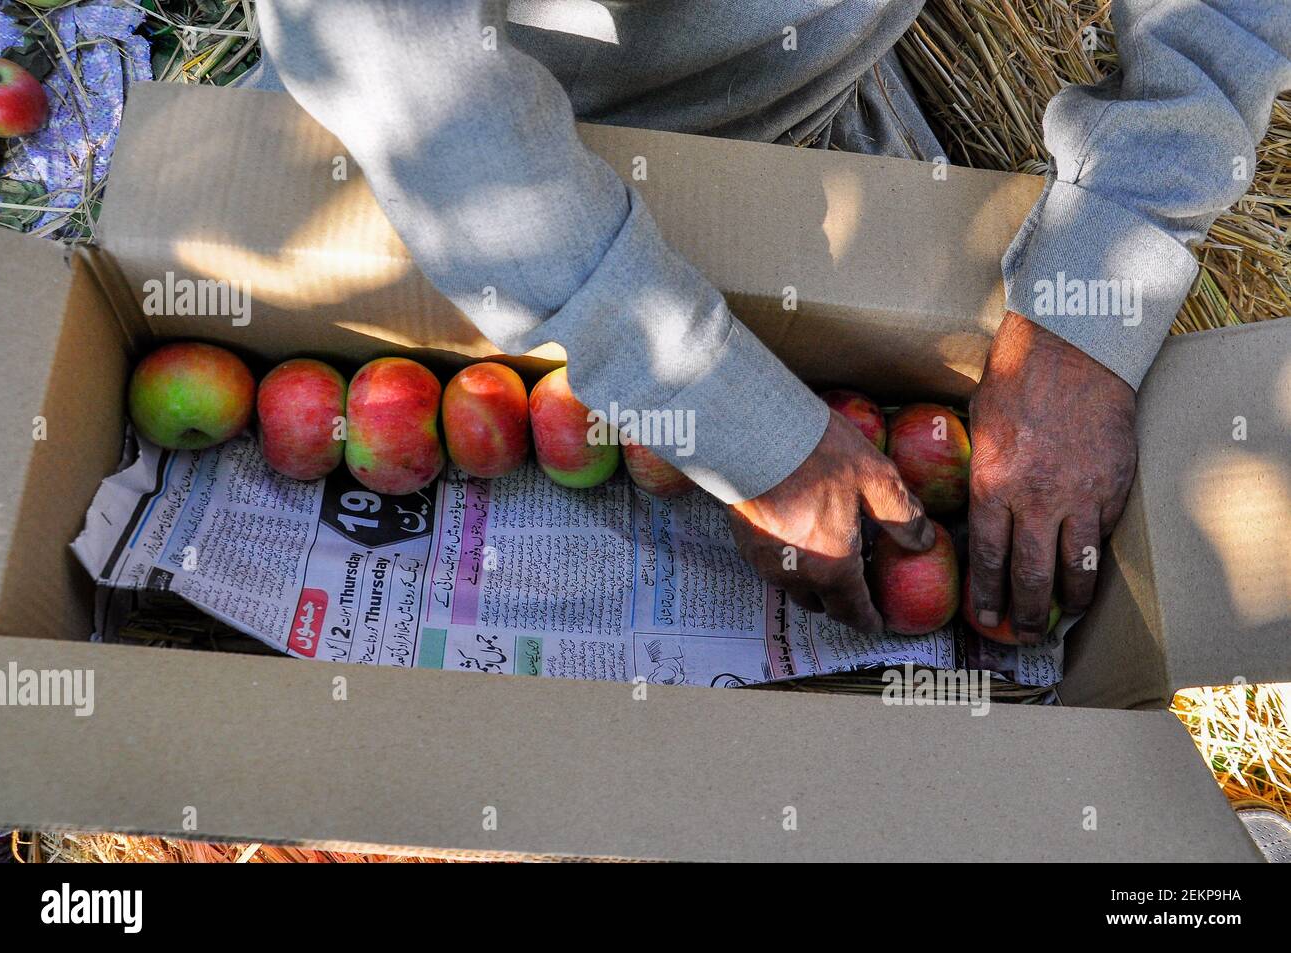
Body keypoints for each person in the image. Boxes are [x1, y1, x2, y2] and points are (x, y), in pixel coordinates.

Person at [247, 1, 1291, 641]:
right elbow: (375, 45)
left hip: (792, 123)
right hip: (434, 187)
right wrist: (715, 403)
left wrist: (1100, 272)